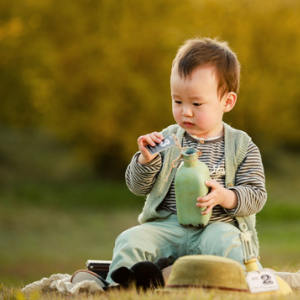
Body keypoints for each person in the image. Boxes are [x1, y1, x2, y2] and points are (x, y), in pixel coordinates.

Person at [106, 37, 267, 284]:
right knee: (130, 240)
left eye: (196, 103)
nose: (186, 111)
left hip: (217, 226)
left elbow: (256, 195)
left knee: (232, 245)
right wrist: (145, 161)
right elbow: (137, 187)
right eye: (177, 101)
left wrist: (226, 196)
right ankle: (123, 284)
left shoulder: (241, 146)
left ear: (227, 102)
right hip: (170, 226)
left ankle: (240, 285)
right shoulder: (168, 139)